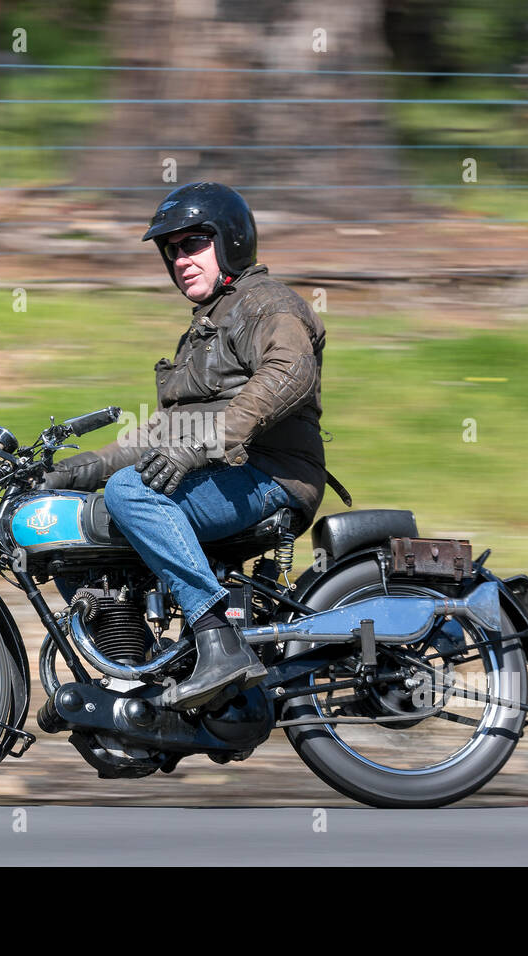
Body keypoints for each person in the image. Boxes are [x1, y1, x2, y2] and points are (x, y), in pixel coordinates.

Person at [42, 182, 328, 710]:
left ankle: (218, 642)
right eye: (171, 250)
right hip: (229, 474)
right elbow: (161, 435)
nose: (181, 259)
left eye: (194, 243)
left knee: (131, 493)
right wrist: (70, 472)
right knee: (85, 514)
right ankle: (128, 674)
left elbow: (291, 373)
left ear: (231, 241)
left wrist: (199, 447)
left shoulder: (264, 304)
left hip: (269, 475)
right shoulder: (207, 326)